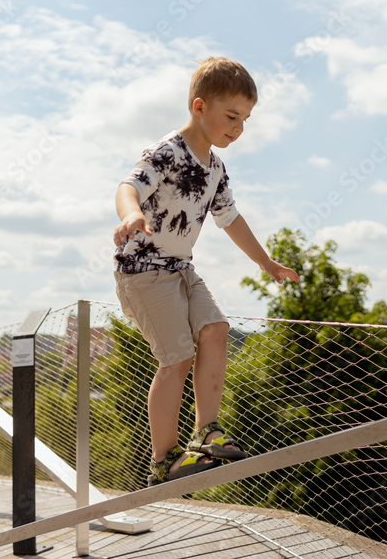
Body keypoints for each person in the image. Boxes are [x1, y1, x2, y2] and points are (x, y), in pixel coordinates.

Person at [113, 56, 300, 486]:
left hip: (180, 269)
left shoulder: (215, 168)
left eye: (246, 119)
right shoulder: (167, 152)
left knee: (216, 329)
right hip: (142, 272)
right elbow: (128, 186)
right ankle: (164, 460)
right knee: (177, 357)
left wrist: (265, 262)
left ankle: (206, 432)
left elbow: (230, 218)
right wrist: (130, 216)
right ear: (199, 107)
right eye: (231, 116)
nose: (238, 128)